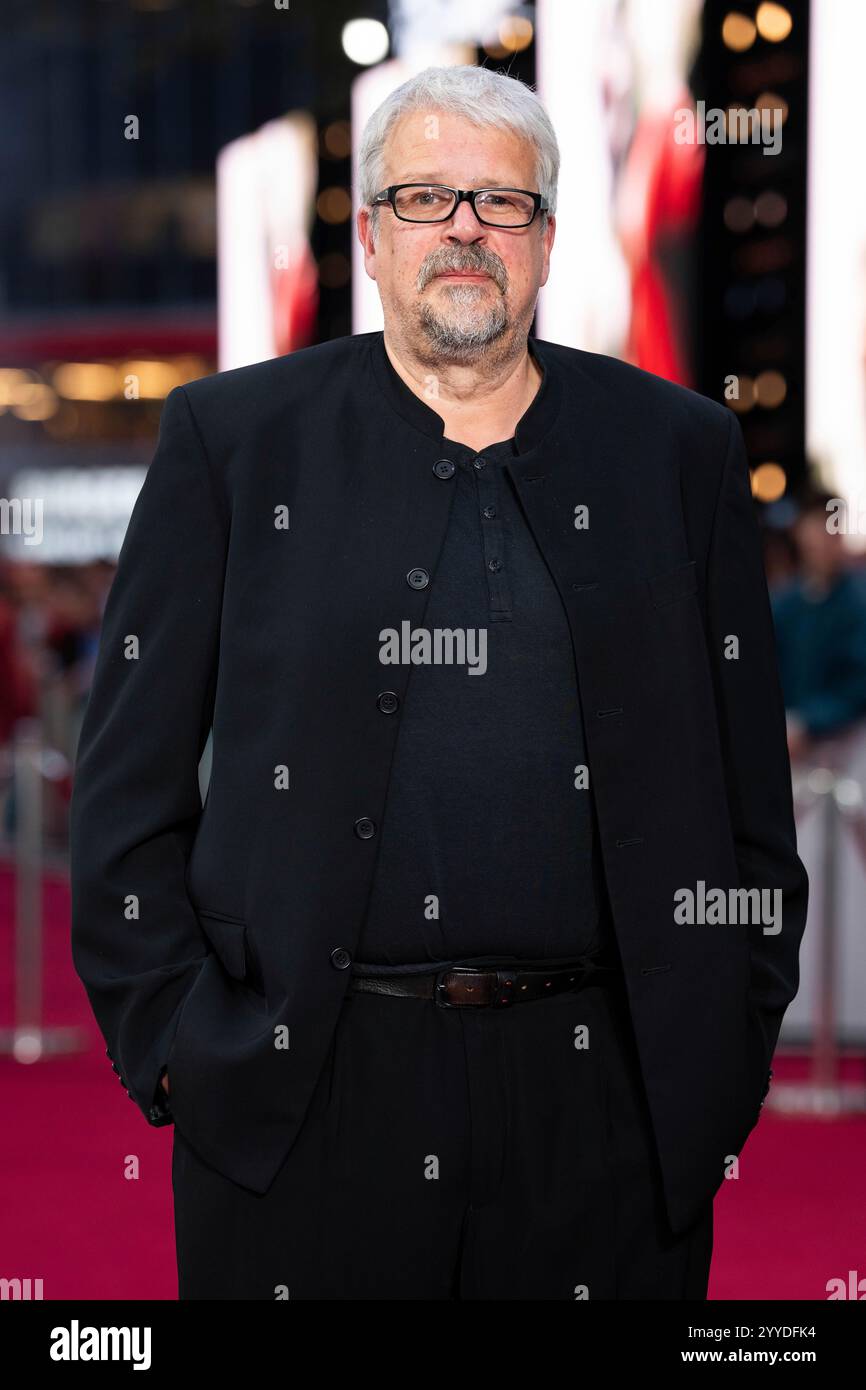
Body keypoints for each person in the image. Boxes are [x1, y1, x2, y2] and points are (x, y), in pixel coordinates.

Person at [70, 64, 808, 1301]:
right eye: (423, 197)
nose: (462, 227)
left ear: (546, 241)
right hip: (306, 1097)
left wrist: (719, 1052)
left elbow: (747, 807)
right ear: (370, 234)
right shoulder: (233, 443)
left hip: (608, 1106)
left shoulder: (676, 451)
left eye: (499, 202)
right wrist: (185, 1050)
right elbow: (125, 798)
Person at [771, 489, 866, 763]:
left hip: (847, 740)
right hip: (790, 742)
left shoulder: (857, 602)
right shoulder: (783, 603)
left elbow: (859, 683)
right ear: (800, 531)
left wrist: (811, 721)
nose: (826, 540)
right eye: (817, 527)